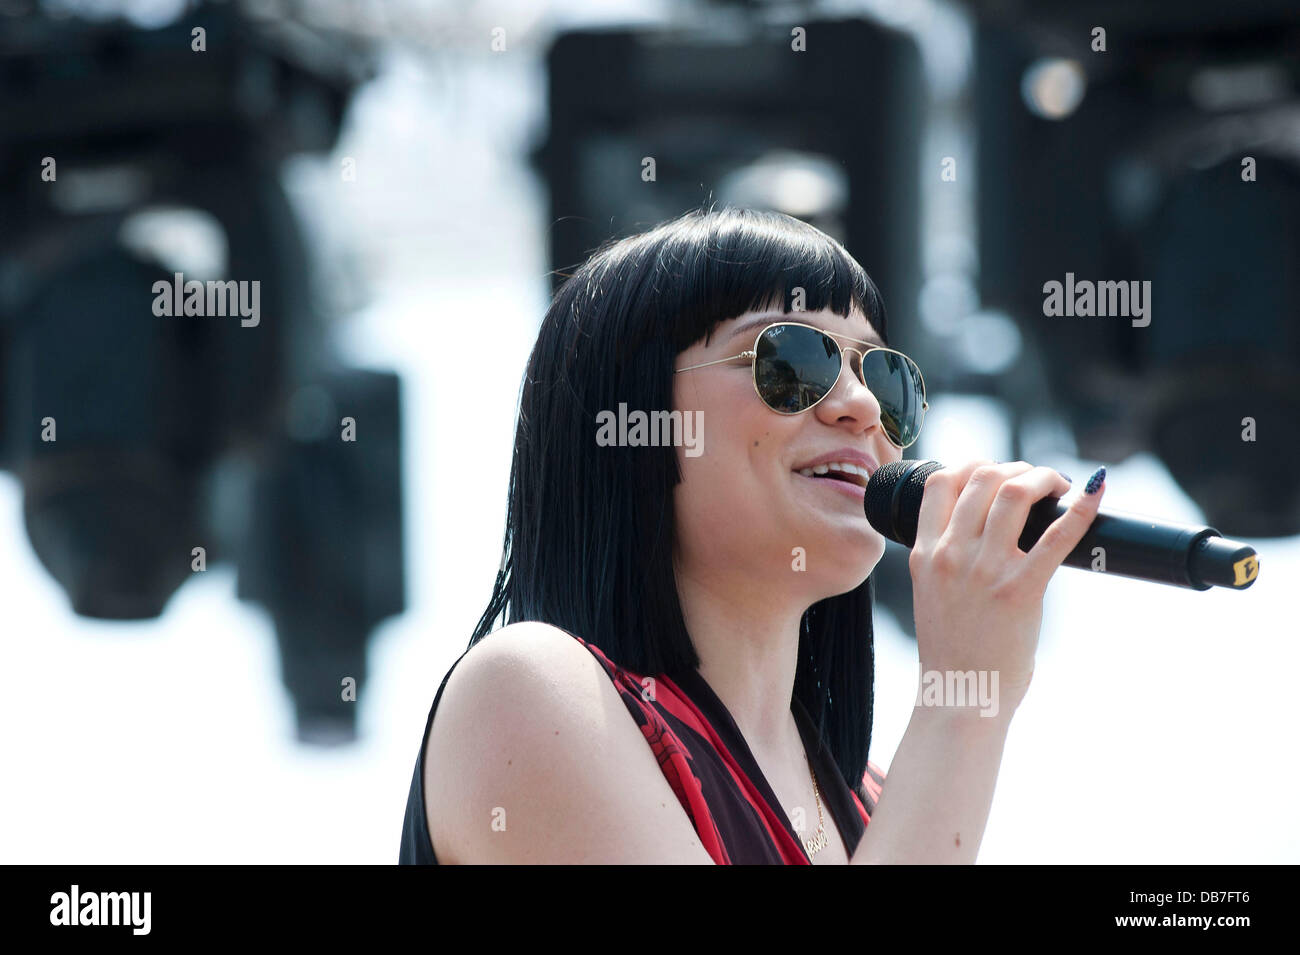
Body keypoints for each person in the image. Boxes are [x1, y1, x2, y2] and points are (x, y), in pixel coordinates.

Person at [398, 205, 1106, 864]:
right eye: (791, 362)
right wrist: (960, 706)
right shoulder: (523, 693)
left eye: (886, 379)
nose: (860, 407)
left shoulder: (871, 802)